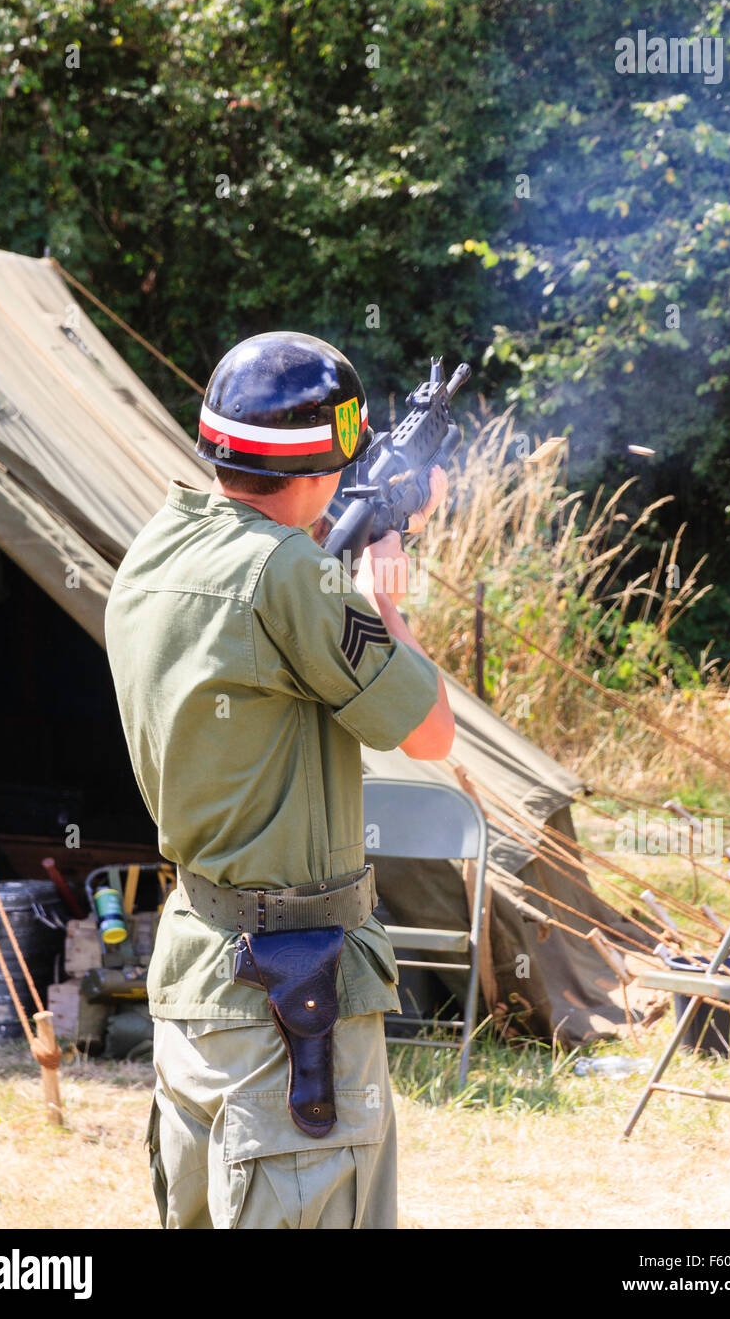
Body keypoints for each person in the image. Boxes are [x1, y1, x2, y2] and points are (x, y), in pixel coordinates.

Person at [104, 330, 454, 1230]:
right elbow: (429, 732)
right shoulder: (293, 574)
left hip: (201, 973)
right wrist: (385, 581)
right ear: (321, 467)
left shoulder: (158, 547)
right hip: (292, 996)